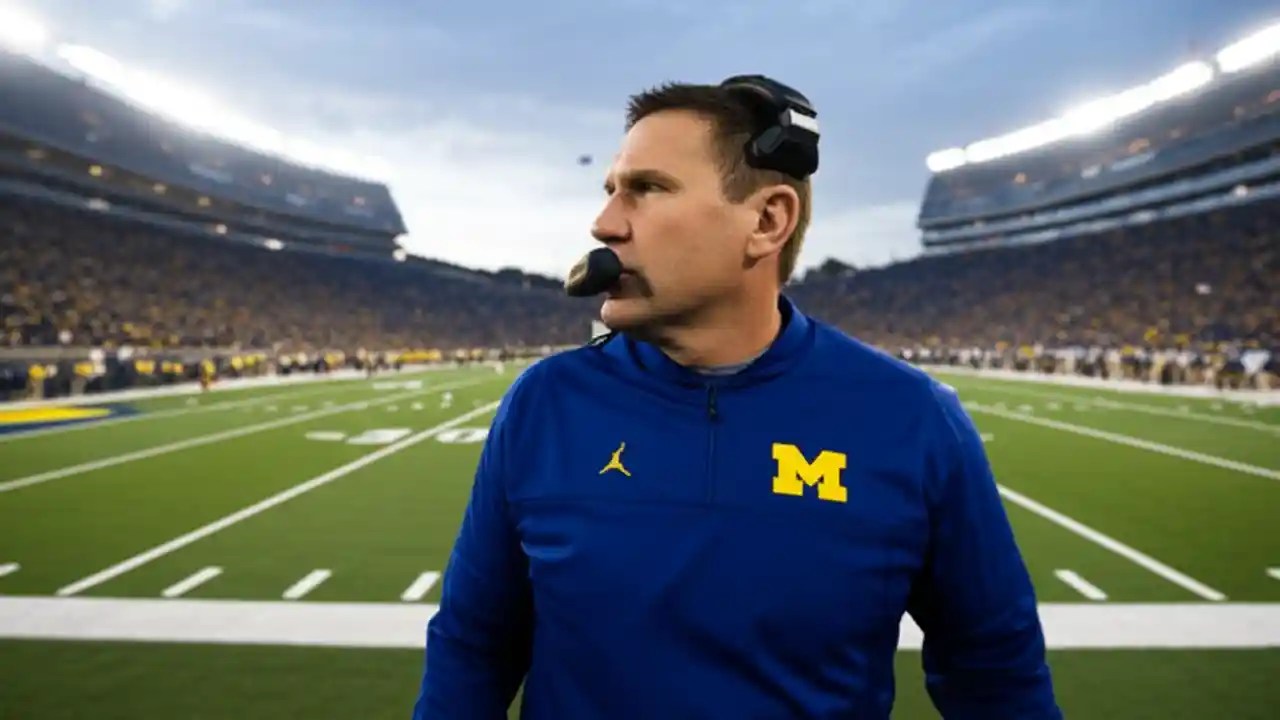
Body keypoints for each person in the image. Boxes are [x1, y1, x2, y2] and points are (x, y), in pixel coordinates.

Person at [414, 75, 1061, 719]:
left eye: (648, 189)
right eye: (610, 191)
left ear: (767, 220)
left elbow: (996, 679)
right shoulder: (544, 403)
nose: (604, 224)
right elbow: (473, 647)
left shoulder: (912, 420)